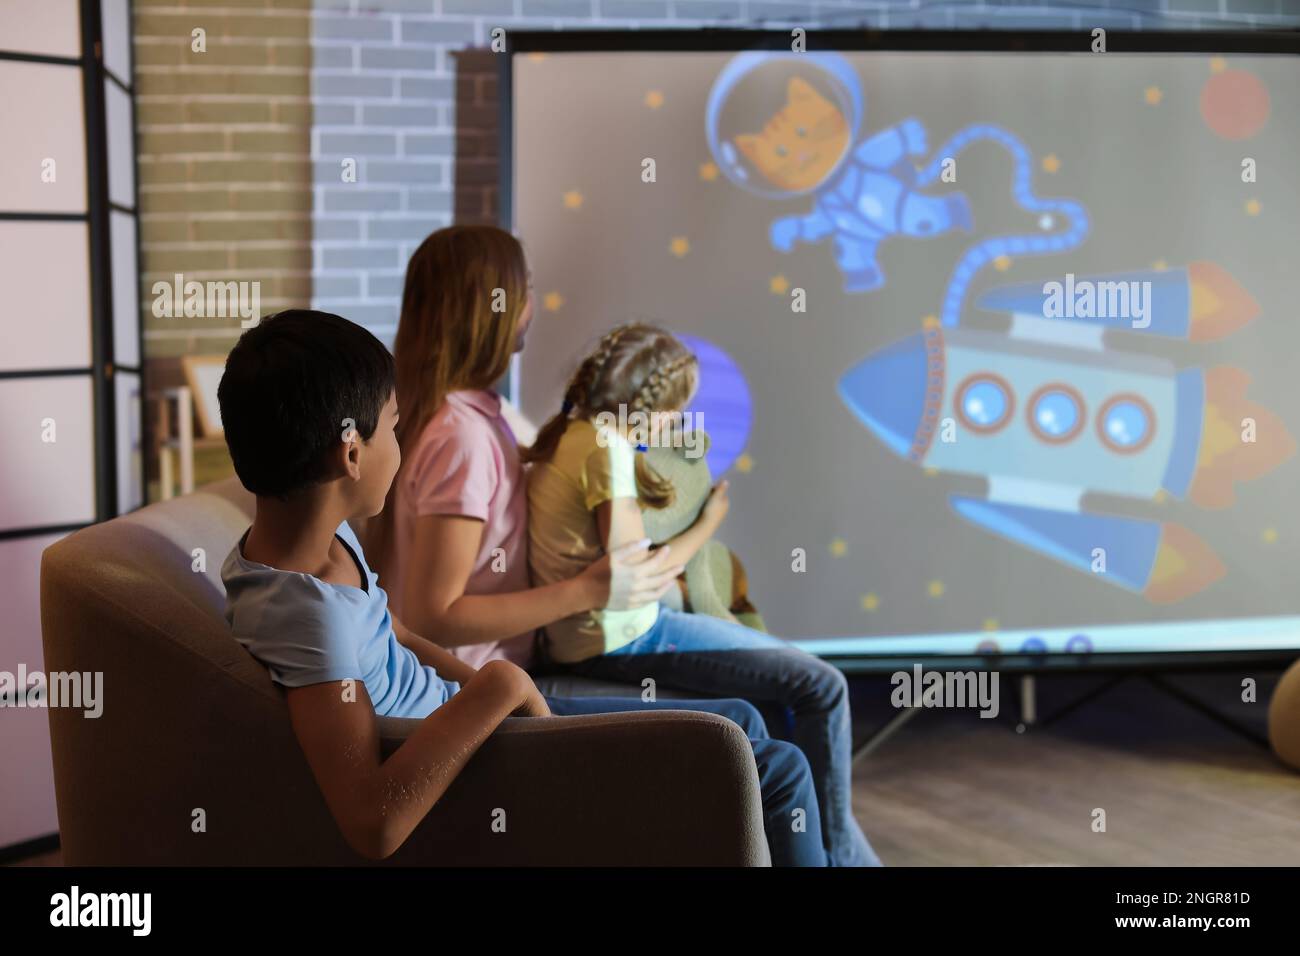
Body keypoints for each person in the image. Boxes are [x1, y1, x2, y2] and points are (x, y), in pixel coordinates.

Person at [216, 308, 827, 865]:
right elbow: (371, 821)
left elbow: (395, 632)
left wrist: (492, 690)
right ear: (351, 454)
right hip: (487, 766)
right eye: (394, 430)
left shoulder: (310, 551)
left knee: (745, 719)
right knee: (775, 767)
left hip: (491, 724)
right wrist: (502, 691)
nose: (400, 450)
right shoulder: (310, 616)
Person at [524, 322, 880, 868]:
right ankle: (838, 859)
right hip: (621, 636)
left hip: (606, 630)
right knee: (821, 687)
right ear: (650, 409)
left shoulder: (572, 436)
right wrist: (708, 523)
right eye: (676, 410)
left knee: (777, 699)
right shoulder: (604, 450)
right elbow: (631, 578)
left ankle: (825, 852)